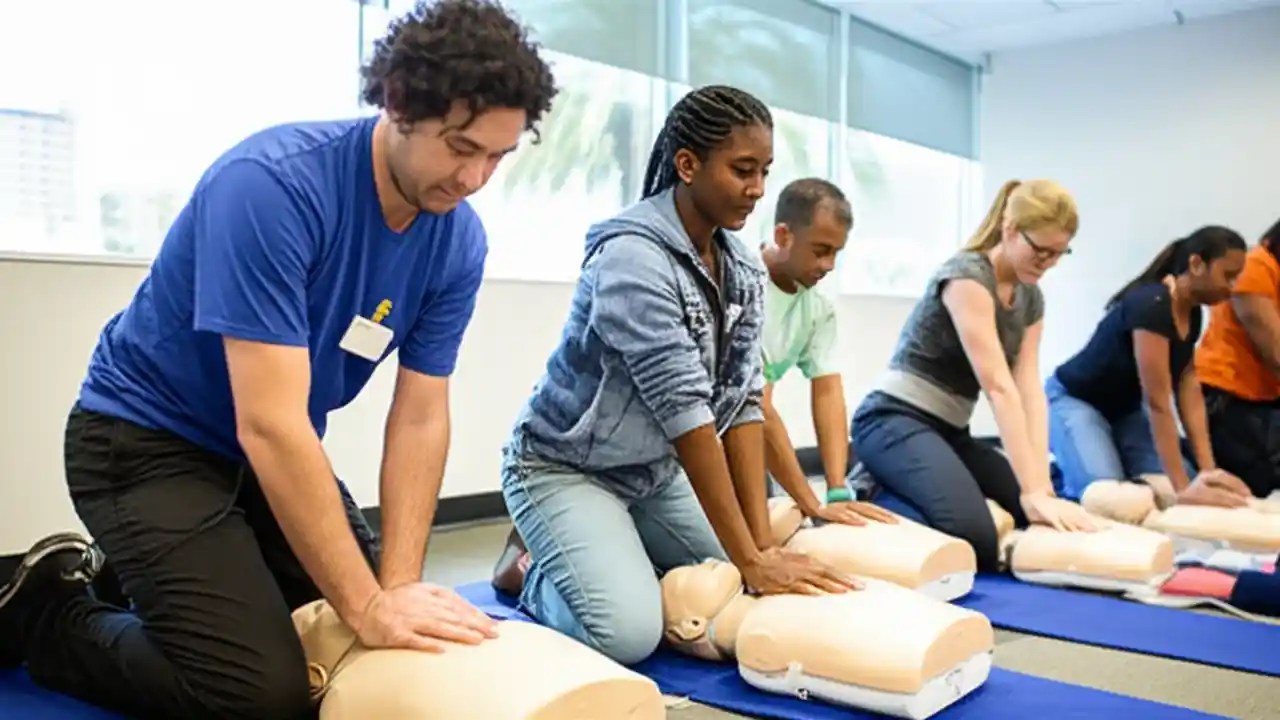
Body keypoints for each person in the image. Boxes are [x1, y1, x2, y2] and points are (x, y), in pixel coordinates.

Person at [0, 2, 557, 718]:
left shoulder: (458, 242)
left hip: (263, 459)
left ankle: (137, 578)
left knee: (351, 636)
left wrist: (397, 590)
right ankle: (48, 611)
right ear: (396, 105)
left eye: (497, 156)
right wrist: (367, 605)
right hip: (144, 446)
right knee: (260, 696)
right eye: (459, 146)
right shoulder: (272, 187)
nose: (476, 177)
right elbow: (268, 424)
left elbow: (420, 413)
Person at [494, 85, 856, 666]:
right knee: (627, 633)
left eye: (764, 171)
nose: (758, 189)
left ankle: (605, 548)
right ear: (687, 165)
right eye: (742, 170)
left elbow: (741, 405)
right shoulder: (631, 255)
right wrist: (751, 559)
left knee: (742, 569)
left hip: (650, 473)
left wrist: (759, 547)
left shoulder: (740, 265)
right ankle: (530, 568)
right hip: (565, 468)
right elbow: (688, 412)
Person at [850, 179, 1095, 573]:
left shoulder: (1031, 297)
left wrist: (1041, 490)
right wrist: (1031, 489)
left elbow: (1028, 388)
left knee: (1042, 510)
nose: (1047, 263)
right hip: (892, 420)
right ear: (1010, 229)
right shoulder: (966, 277)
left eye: (1057, 253)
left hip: (950, 432)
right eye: (1040, 250)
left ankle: (919, 479)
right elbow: (998, 387)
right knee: (974, 538)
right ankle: (872, 490)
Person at [1047, 226, 1254, 508]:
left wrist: (1207, 473)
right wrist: (1183, 489)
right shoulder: (1152, 305)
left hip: (1124, 410)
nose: (1232, 288)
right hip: (1077, 400)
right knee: (1109, 498)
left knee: (1186, 485)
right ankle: (1057, 478)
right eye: (1227, 276)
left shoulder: (1192, 313)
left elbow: (1188, 390)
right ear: (1196, 264)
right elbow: (1157, 402)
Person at [758, 178, 895, 527]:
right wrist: (808, 501)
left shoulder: (818, 310)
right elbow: (755, 404)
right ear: (783, 236)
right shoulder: (744, 287)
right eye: (821, 250)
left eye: (836, 252)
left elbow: (828, 392)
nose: (830, 264)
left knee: (789, 527)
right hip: (703, 441)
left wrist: (836, 490)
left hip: (749, 437)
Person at [1195, 218, 1280, 499]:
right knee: (1257, 485)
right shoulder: (1255, 268)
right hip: (1229, 396)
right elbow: (1276, 354)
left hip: (1262, 399)